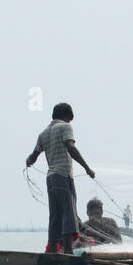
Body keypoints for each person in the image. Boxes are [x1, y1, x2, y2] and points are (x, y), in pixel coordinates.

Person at [26, 102, 96, 254]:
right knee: (68, 213)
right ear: (66, 116)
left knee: (55, 214)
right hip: (63, 176)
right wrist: (87, 168)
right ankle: (68, 252)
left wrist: (28, 161)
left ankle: (52, 250)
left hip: (50, 178)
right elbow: (71, 147)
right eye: (69, 119)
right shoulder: (65, 127)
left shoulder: (43, 133)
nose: (70, 122)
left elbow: (33, 157)